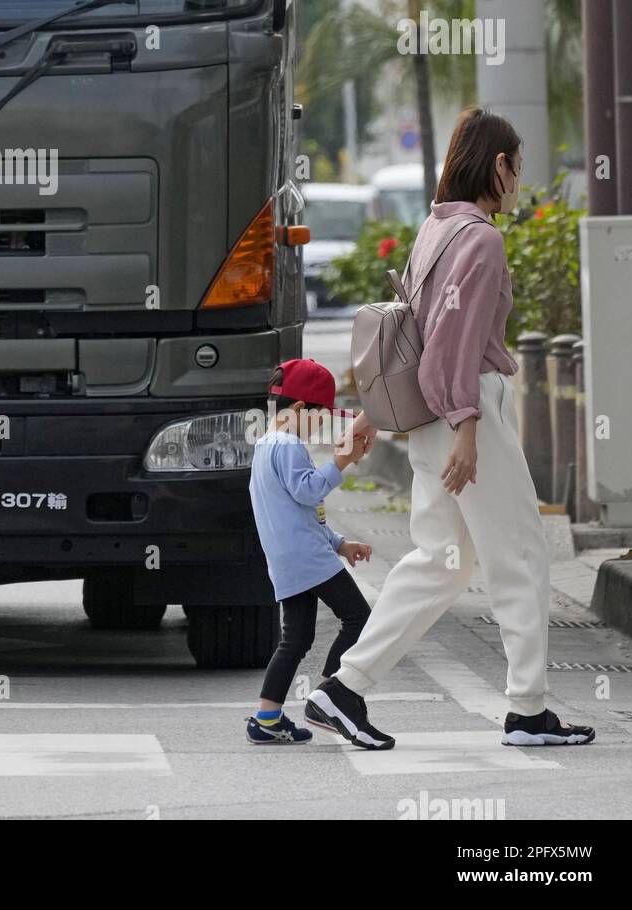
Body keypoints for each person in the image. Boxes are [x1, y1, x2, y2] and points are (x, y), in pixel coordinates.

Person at [308, 108, 596, 750]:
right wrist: (468, 426)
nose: (519, 182)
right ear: (499, 165)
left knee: (441, 560)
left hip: (431, 418)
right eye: (517, 168)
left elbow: (407, 336)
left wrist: (375, 416)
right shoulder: (482, 240)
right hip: (467, 412)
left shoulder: (434, 230)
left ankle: (343, 686)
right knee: (520, 554)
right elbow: (448, 347)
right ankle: (527, 711)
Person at [245, 358, 378, 746]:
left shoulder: (265, 445)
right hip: (308, 560)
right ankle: (330, 695)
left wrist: (339, 543)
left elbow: (302, 513)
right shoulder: (288, 447)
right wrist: (343, 461)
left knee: (296, 639)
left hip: (289, 561)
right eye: (320, 417)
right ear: (302, 409)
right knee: (359, 618)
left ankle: (267, 718)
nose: (321, 426)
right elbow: (309, 492)